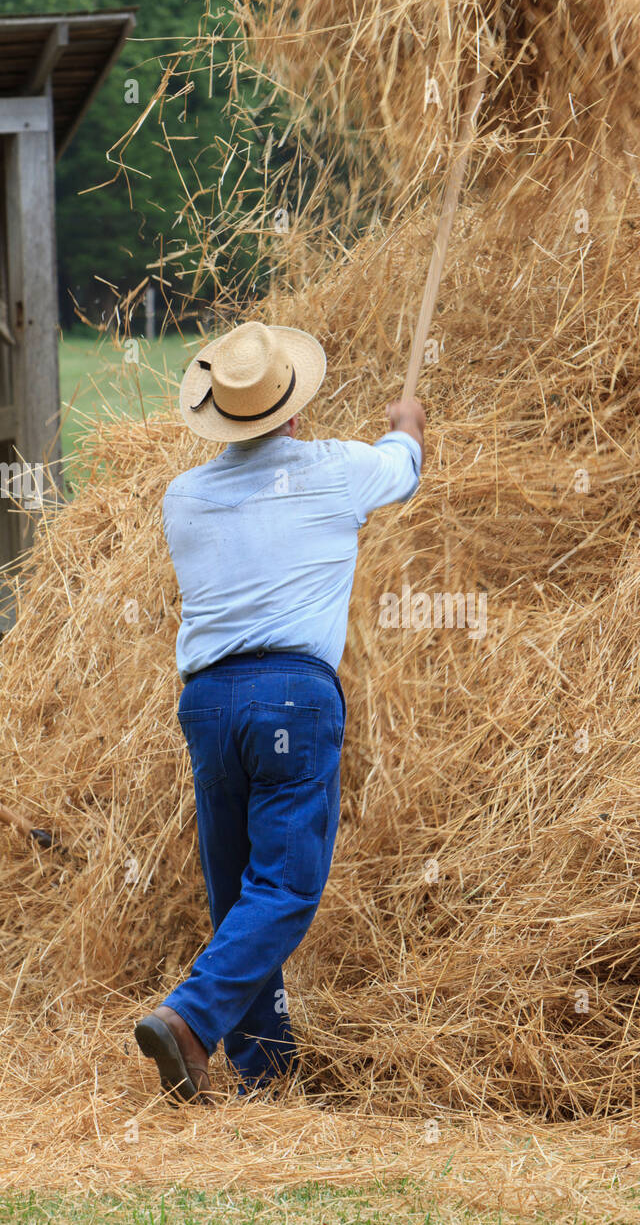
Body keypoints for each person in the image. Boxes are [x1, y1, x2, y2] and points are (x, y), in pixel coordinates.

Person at [134, 320, 425, 1103]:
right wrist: (406, 427)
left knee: (239, 894)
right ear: (294, 410)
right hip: (292, 697)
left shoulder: (182, 497)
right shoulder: (336, 470)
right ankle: (191, 1021)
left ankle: (264, 1083)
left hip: (208, 705)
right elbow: (402, 471)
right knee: (288, 885)